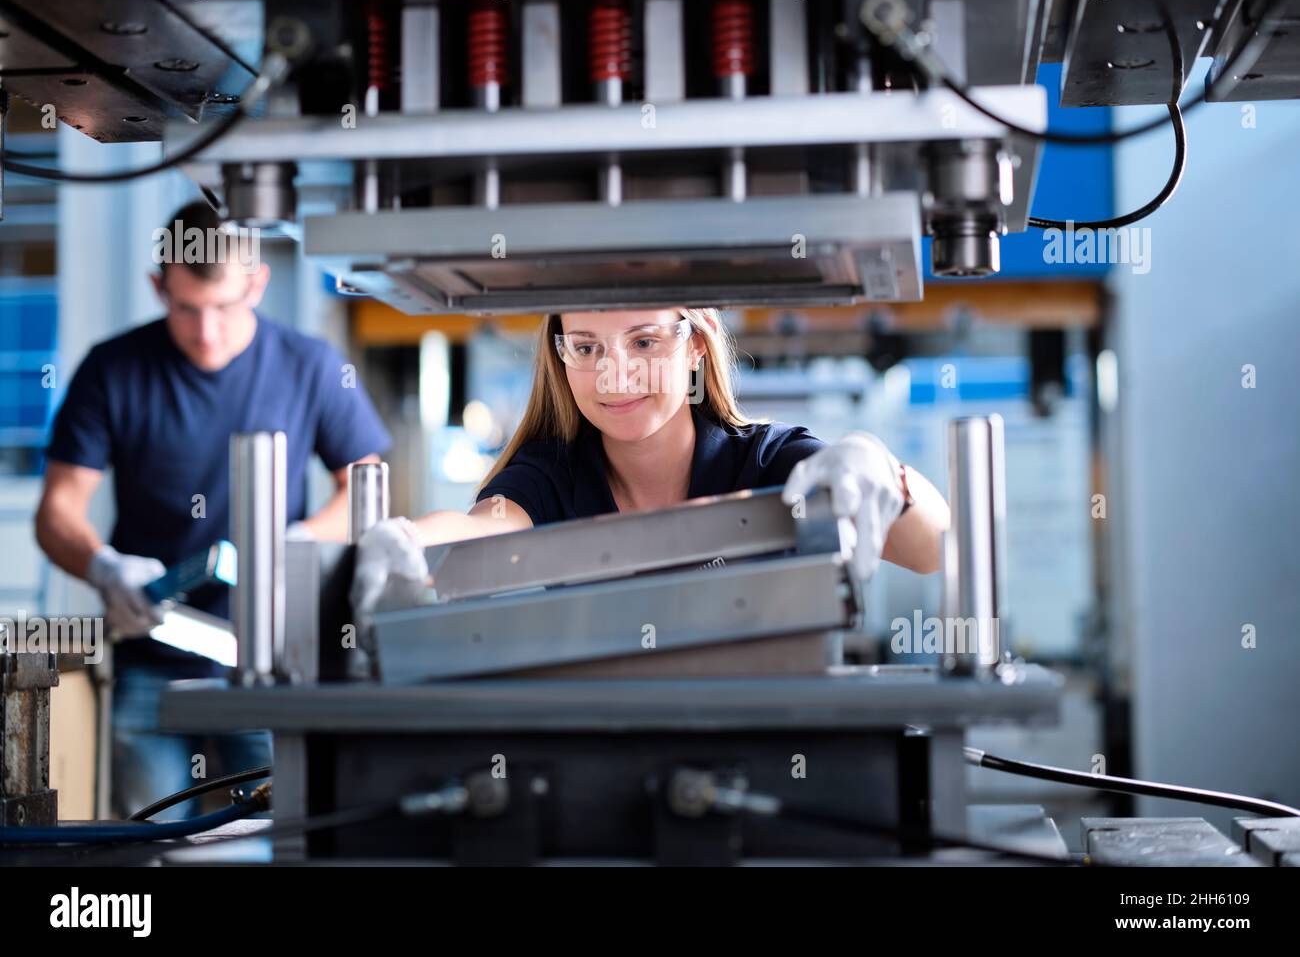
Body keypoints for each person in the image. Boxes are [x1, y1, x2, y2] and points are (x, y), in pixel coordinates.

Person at [36, 201, 391, 819]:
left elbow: (367, 483)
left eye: (224, 308)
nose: (206, 333)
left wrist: (297, 545)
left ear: (257, 283)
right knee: (153, 839)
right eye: (185, 309)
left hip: (271, 657)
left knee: (284, 831)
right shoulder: (111, 370)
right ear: (158, 286)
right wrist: (102, 567)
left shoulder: (311, 367)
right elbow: (58, 509)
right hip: (152, 657)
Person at [351, 307, 948, 616]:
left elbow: (930, 549)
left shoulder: (766, 462)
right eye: (587, 347)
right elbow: (480, 528)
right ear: (562, 357)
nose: (615, 374)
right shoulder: (550, 476)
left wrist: (878, 468)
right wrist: (406, 540)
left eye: (644, 341)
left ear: (695, 343)